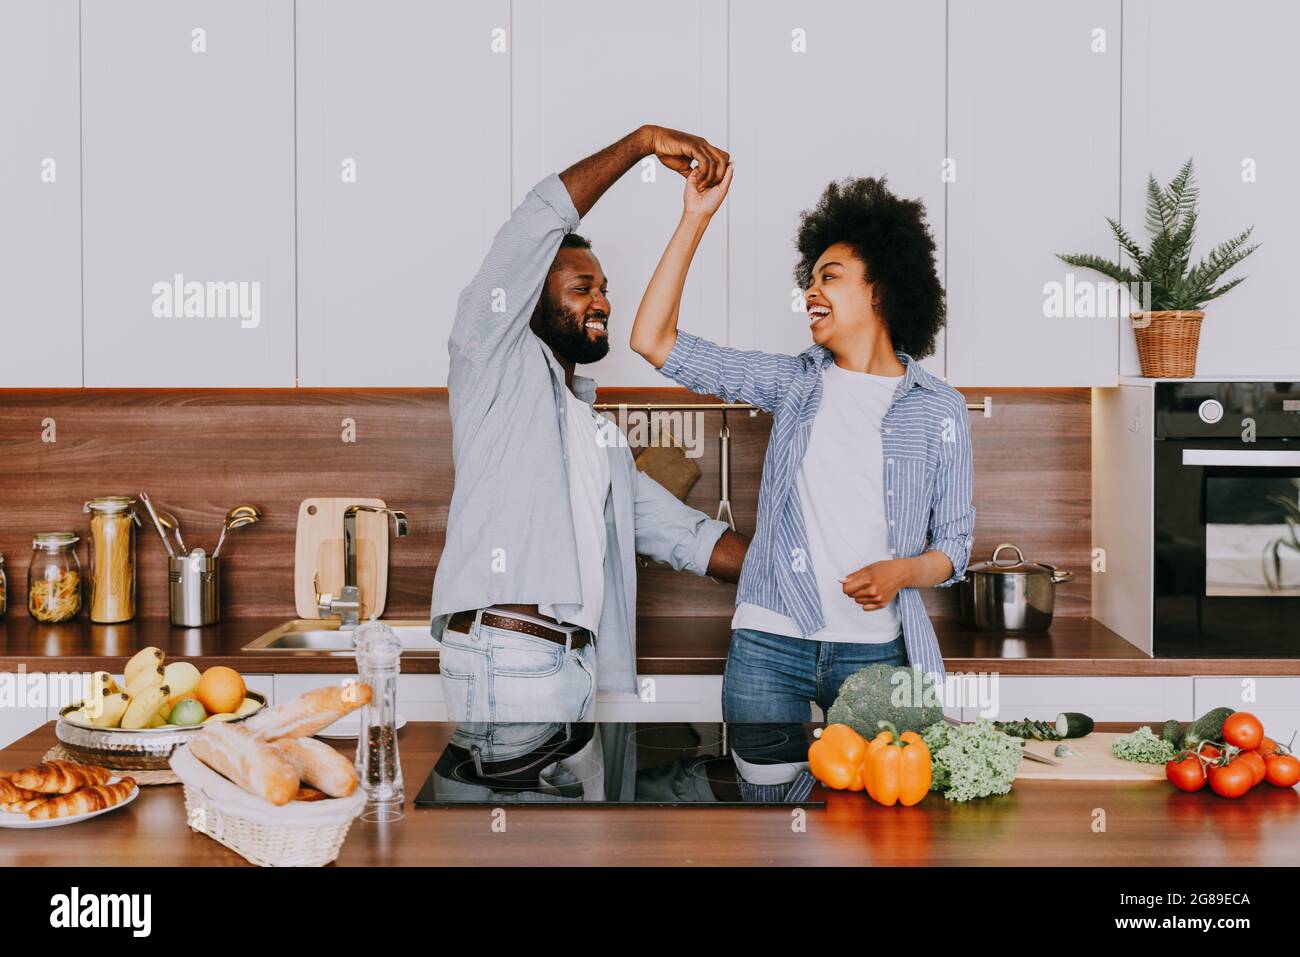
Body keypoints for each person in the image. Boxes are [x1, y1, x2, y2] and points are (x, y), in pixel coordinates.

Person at [630, 167, 975, 729]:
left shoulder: (941, 409)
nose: (810, 292)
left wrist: (902, 572)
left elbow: (956, 547)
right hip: (769, 643)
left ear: (880, 288)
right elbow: (652, 339)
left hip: (877, 653)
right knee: (768, 813)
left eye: (830, 277)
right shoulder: (792, 383)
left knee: (884, 814)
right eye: (809, 280)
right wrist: (696, 217)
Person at [430, 125, 749, 723]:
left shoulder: (593, 433)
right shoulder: (491, 357)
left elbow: (680, 534)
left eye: (603, 289)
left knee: (574, 822)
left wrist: (808, 576)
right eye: (582, 288)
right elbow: (533, 223)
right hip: (507, 652)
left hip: (573, 663)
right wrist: (644, 142)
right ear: (531, 298)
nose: (601, 301)